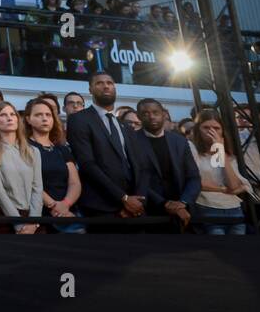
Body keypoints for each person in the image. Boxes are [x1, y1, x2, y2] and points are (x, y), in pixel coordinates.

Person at [65, 72, 161, 233]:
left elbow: (142, 167)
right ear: (90, 89)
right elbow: (87, 164)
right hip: (101, 208)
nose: (106, 86)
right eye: (99, 83)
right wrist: (123, 199)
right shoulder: (79, 120)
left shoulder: (125, 126)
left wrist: (138, 201)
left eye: (110, 82)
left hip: (135, 209)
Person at [135, 98, 198, 232]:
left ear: (163, 114)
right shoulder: (130, 140)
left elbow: (194, 177)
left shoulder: (179, 141)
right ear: (139, 116)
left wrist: (182, 203)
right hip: (149, 212)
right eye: (145, 113)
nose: (151, 116)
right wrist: (164, 204)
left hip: (182, 212)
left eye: (155, 112)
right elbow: (137, 179)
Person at [24, 97, 84, 233]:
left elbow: (75, 183)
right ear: (28, 119)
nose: (44, 118)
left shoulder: (62, 149)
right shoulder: (24, 147)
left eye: (48, 115)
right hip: (41, 215)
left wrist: (65, 204)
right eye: (38, 115)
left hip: (69, 212)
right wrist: (54, 206)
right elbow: (30, 183)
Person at [188, 109, 250, 234]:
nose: (211, 131)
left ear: (222, 131)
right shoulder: (191, 148)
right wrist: (222, 189)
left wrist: (220, 151)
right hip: (207, 207)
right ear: (198, 130)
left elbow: (234, 185)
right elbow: (196, 181)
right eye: (206, 127)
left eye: (216, 128)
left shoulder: (227, 155)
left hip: (233, 209)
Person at [0, 101, 42, 234]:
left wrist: (33, 222)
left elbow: (37, 188)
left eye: (13, 114)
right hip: (2, 216)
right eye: (3, 115)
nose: (9, 118)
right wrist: (19, 224)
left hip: (30, 216)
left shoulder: (33, 151)